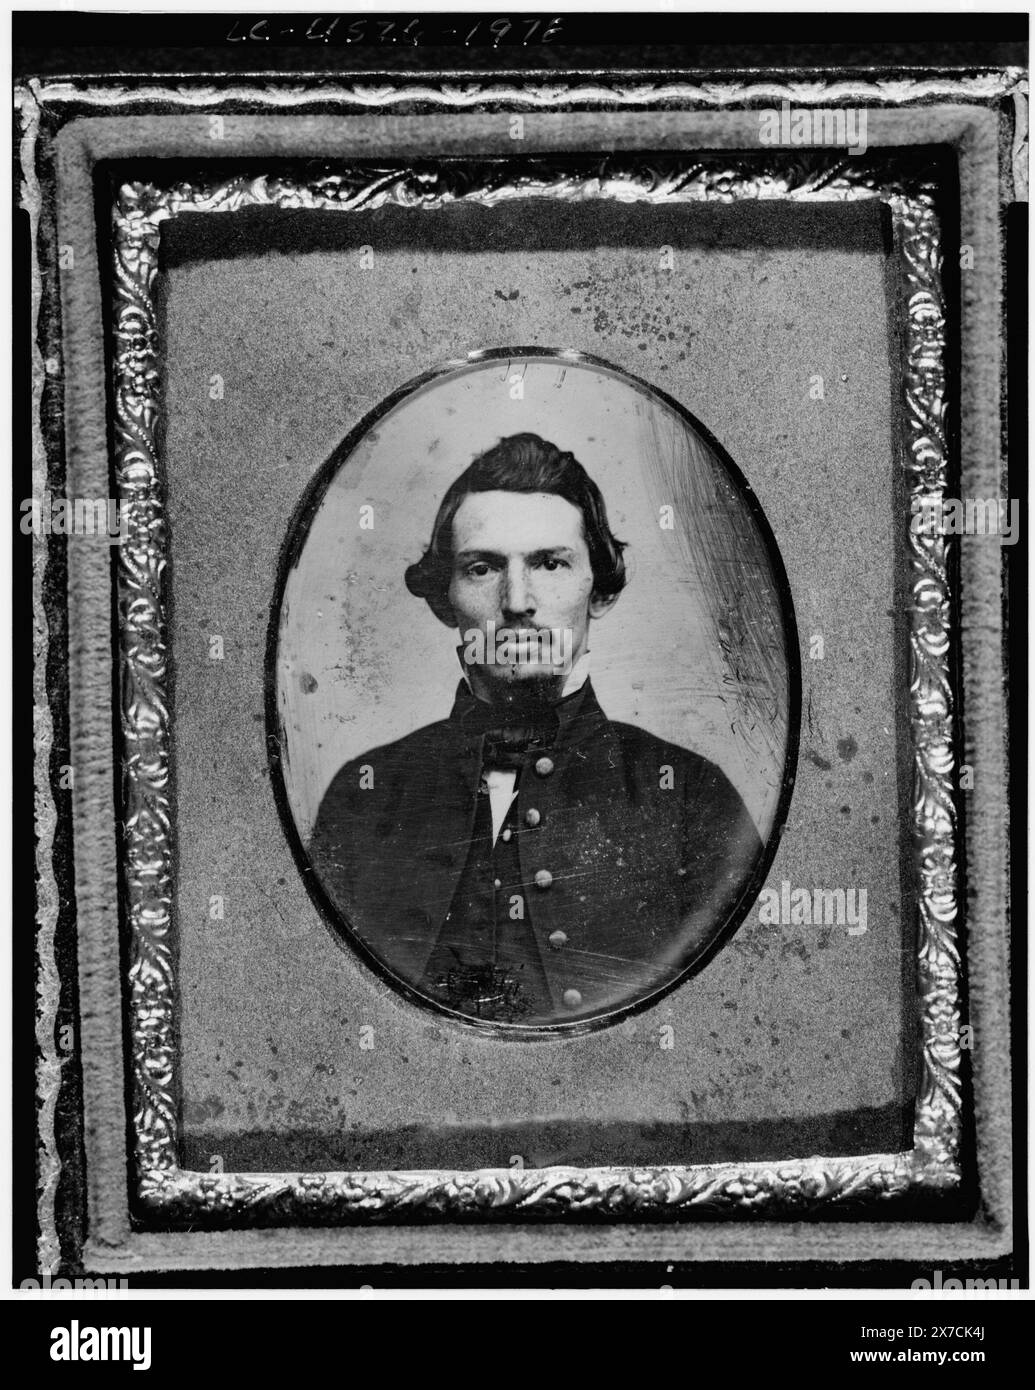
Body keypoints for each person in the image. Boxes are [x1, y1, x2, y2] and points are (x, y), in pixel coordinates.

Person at [308, 433, 762, 1026]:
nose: (517, 601)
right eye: (482, 567)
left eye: (550, 563)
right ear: (445, 599)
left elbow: (738, 1015)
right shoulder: (367, 796)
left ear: (598, 589)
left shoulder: (689, 795)